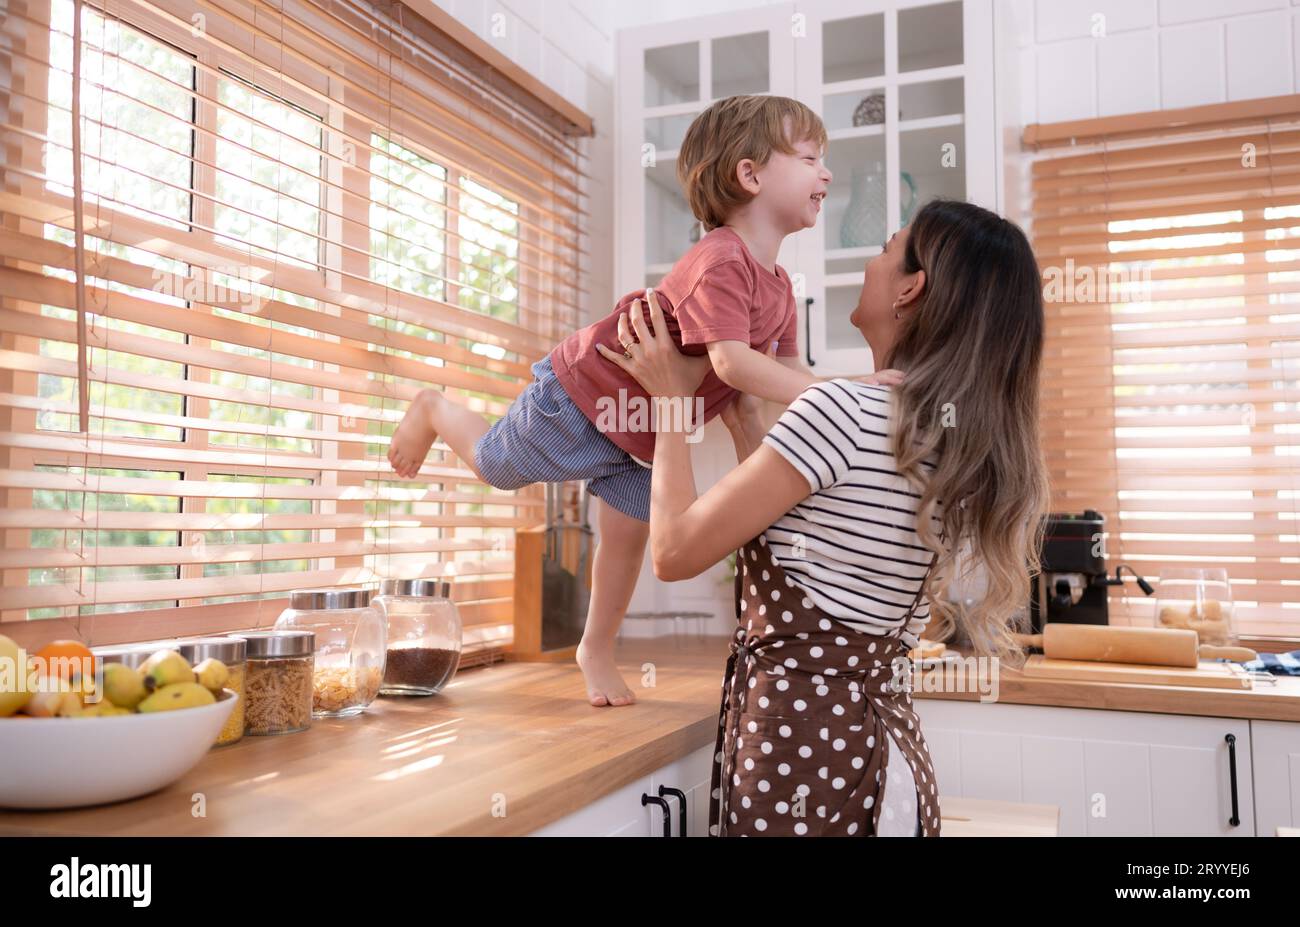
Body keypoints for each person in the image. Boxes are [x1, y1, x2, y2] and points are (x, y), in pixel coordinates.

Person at [387, 95, 892, 707]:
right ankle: (434, 408)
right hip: (582, 397)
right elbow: (733, 363)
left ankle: (595, 647)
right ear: (751, 175)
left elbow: (787, 371)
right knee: (496, 466)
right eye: (811, 157)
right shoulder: (722, 261)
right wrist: (839, 390)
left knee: (627, 536)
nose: (827, 173)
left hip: (642, 434)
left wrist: (850, 389)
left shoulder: (780, 288)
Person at [598, 199, 1050, 836]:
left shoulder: (840, 409)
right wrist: (749, 422)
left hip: (800, 762)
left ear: (911, 289)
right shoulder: (941, 434)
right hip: (883, 761)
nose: (871, 260)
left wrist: (669, 402)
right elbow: (810, 533)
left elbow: (672, 552)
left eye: (887, 248)